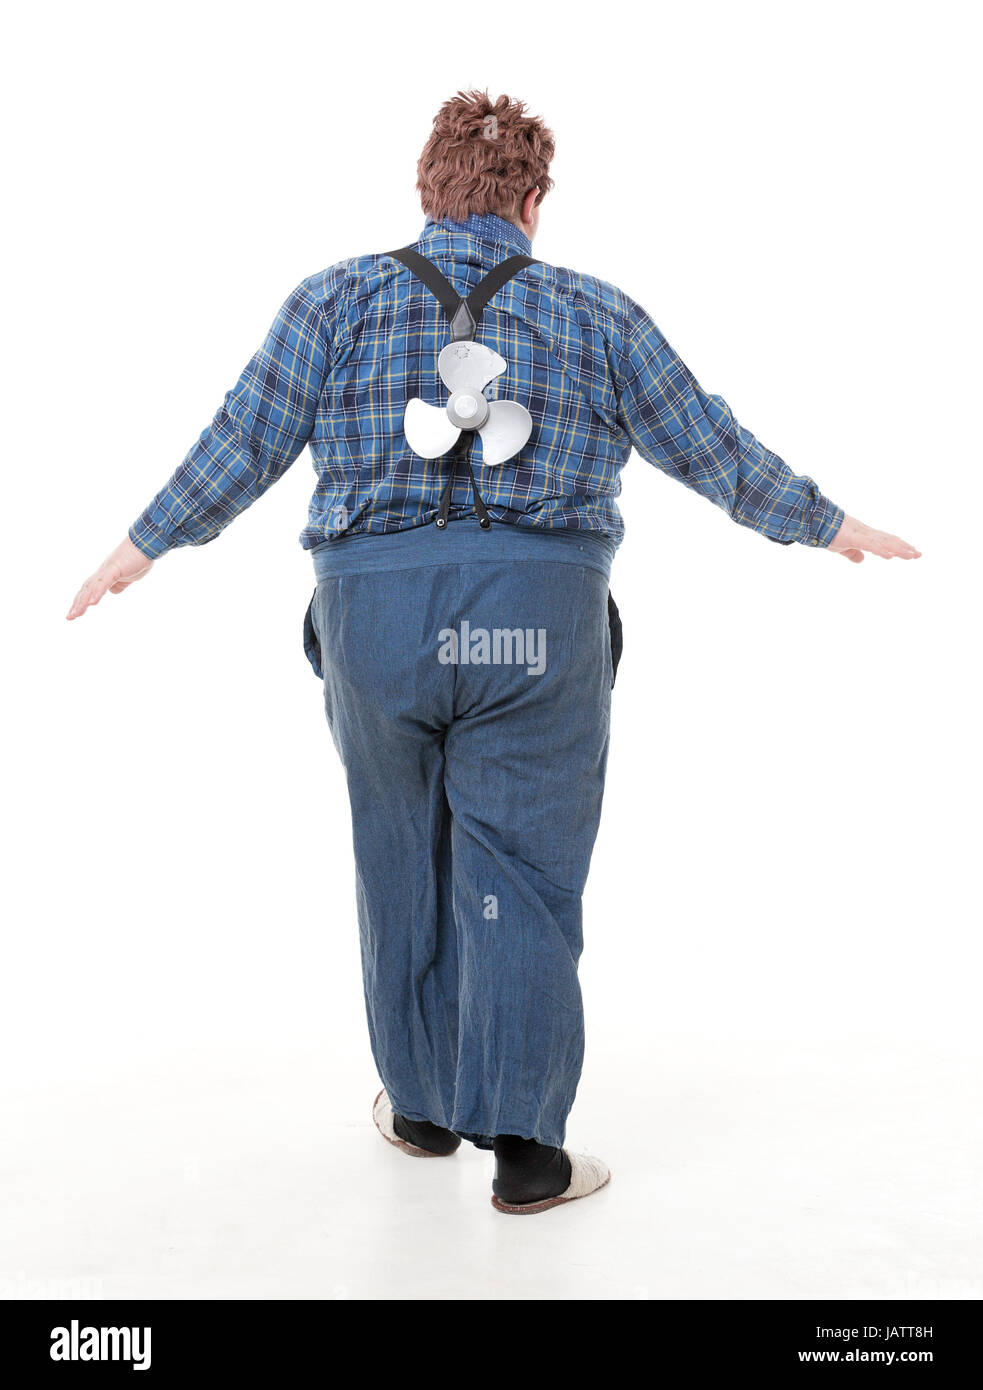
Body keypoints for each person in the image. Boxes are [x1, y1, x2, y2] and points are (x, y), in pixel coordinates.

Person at [66, 89, 921, 1215]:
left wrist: (143, 543)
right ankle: (525, 1151)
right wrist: (824, 523)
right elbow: (704, 440)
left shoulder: (330, 299)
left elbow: (244, 435)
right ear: (532, 201)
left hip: (375, 625)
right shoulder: (594, 312)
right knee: (515, 874)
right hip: (533, 620)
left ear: (423, 190)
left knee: (398, 855)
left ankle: (420, 1108)